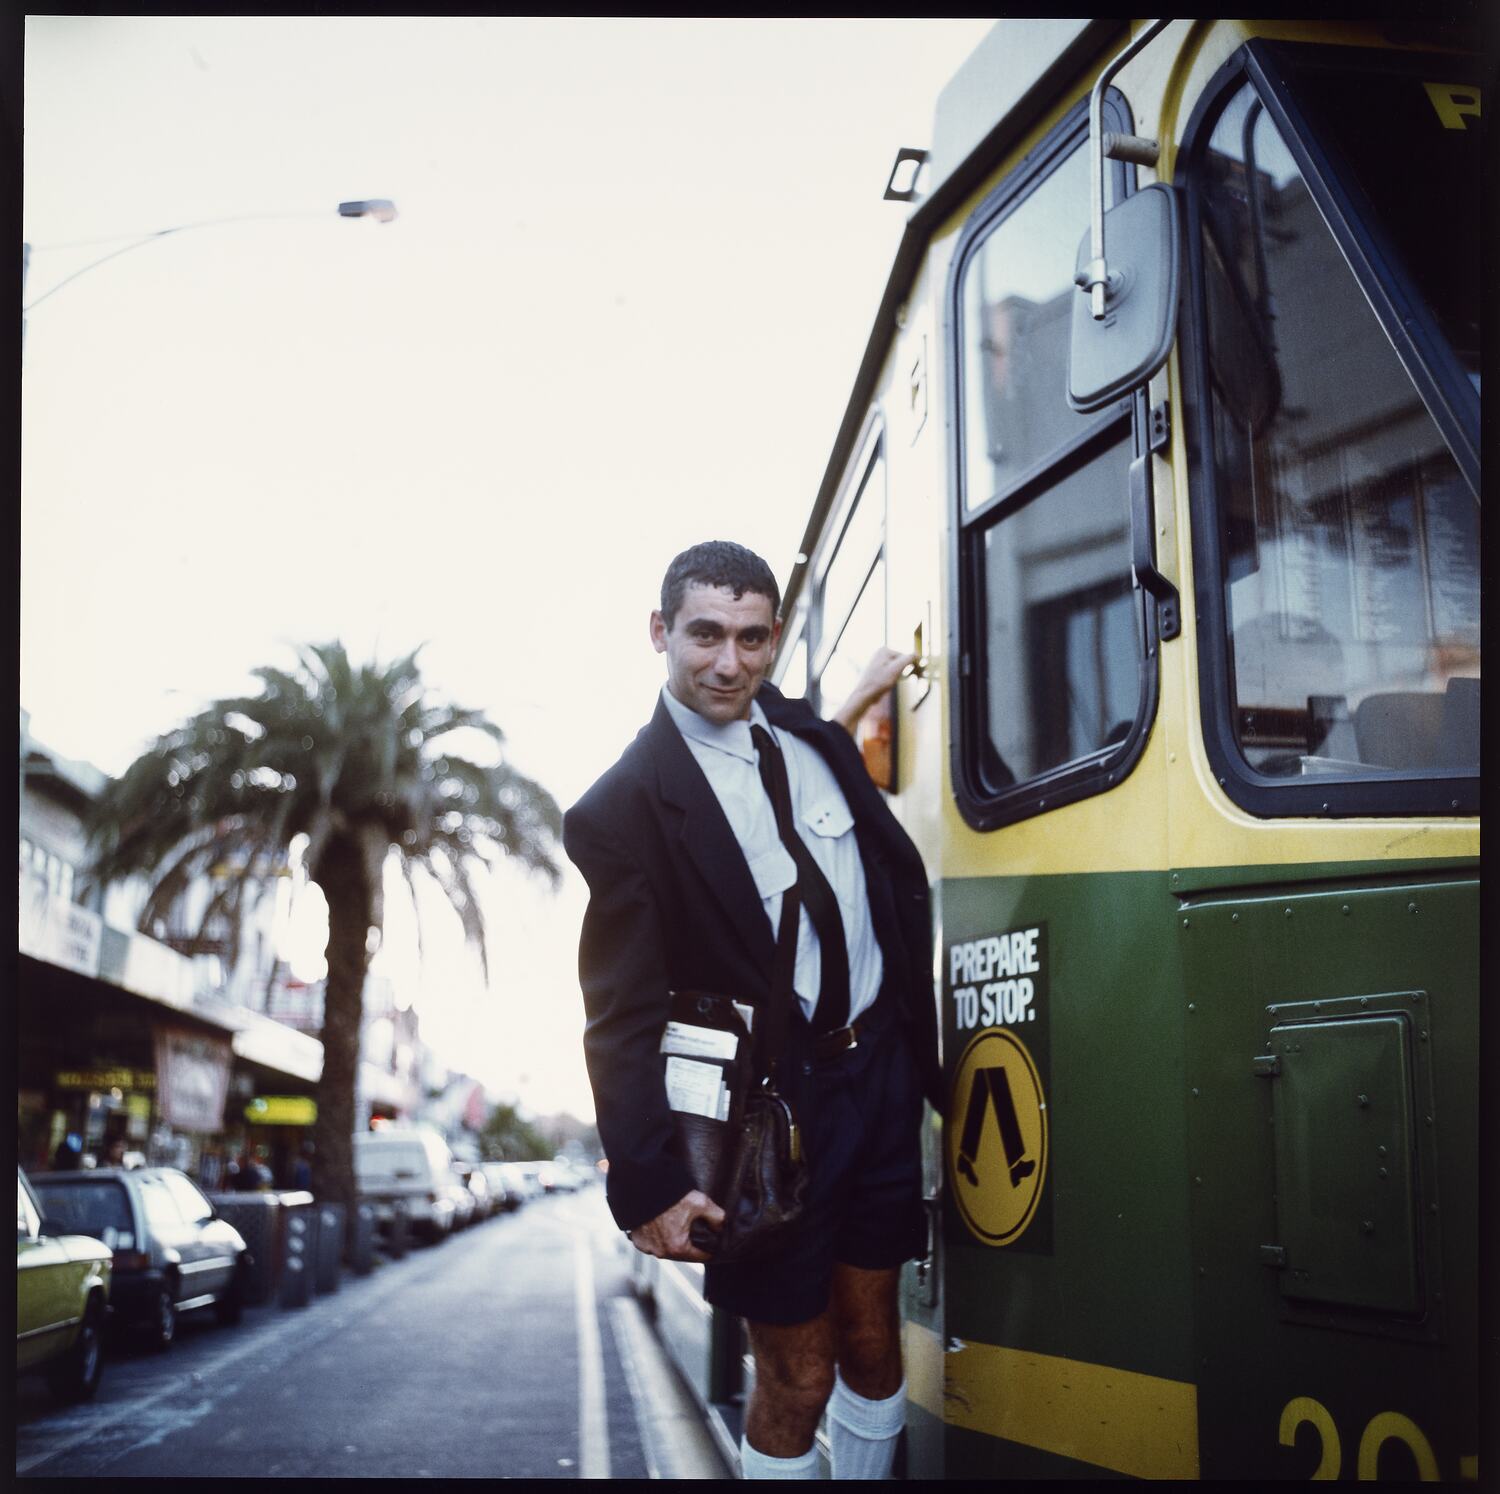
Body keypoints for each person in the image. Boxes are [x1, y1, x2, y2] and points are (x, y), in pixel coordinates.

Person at [565, 540, 940, 1480]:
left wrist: (858, 695)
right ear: (660, 633)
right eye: (704, 636)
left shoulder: (808, 738)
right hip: (775, 1116)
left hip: (882, 1077)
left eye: (751, 638)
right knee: (797, 1378)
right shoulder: (621, 811)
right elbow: (617, 1013)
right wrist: (645, 1186)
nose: (727, 663)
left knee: (874, 1343)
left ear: (774, 641)